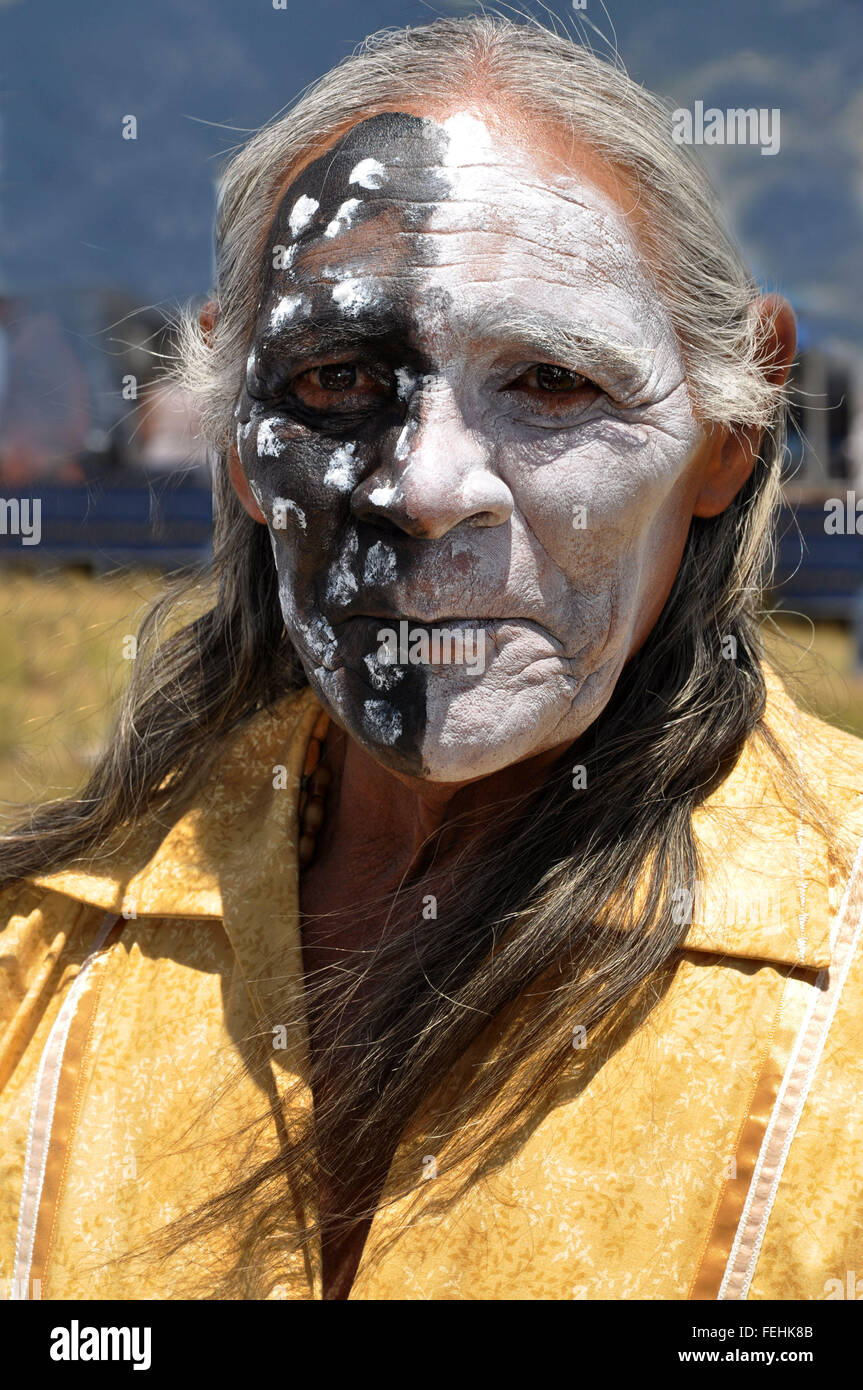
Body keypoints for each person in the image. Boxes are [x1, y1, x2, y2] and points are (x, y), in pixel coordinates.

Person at [2, 15, 862, 1303]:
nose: (420, 487)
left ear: (728, 428)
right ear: (239, 437)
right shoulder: (38, 969)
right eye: (337, 379)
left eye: (553, 383)